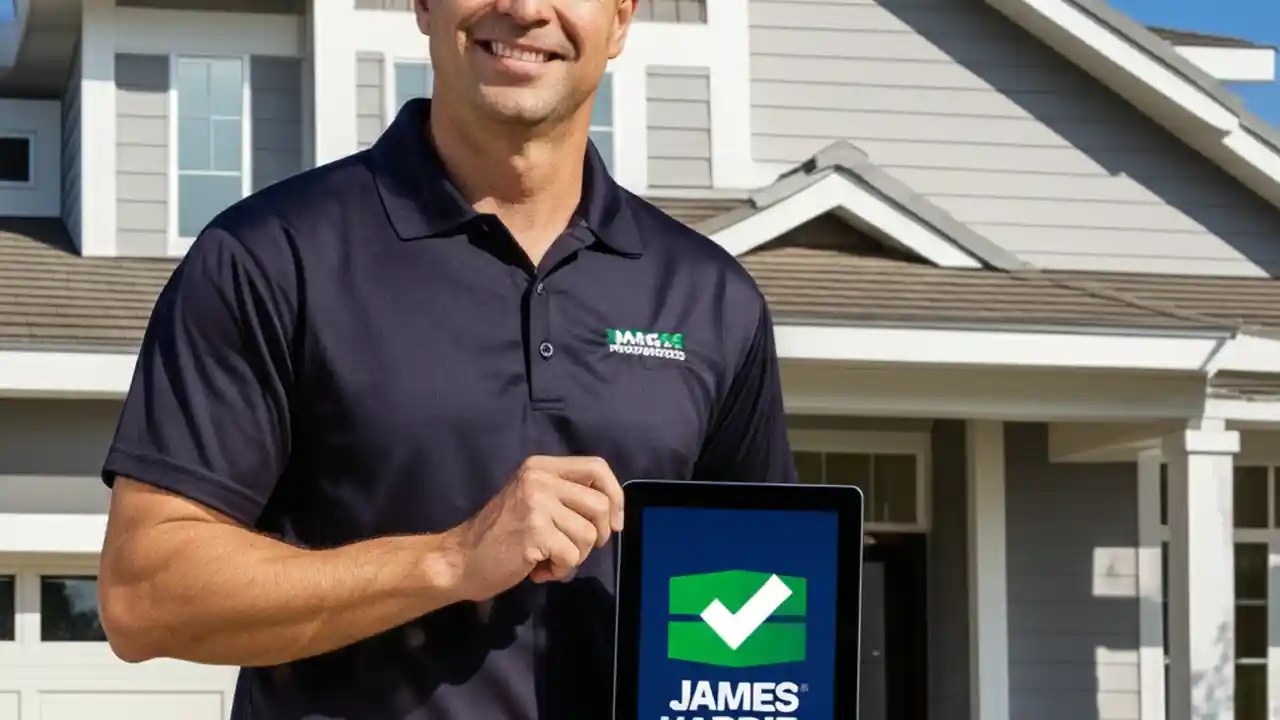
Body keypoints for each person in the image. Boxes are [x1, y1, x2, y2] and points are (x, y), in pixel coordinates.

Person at [96, 0, 797, 717]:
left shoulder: (711, 298)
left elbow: (770, 603)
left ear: (620, 19)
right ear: (425, 6)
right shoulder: (272, 255)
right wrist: (451, 560)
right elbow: (144, 595)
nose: (525, 10)